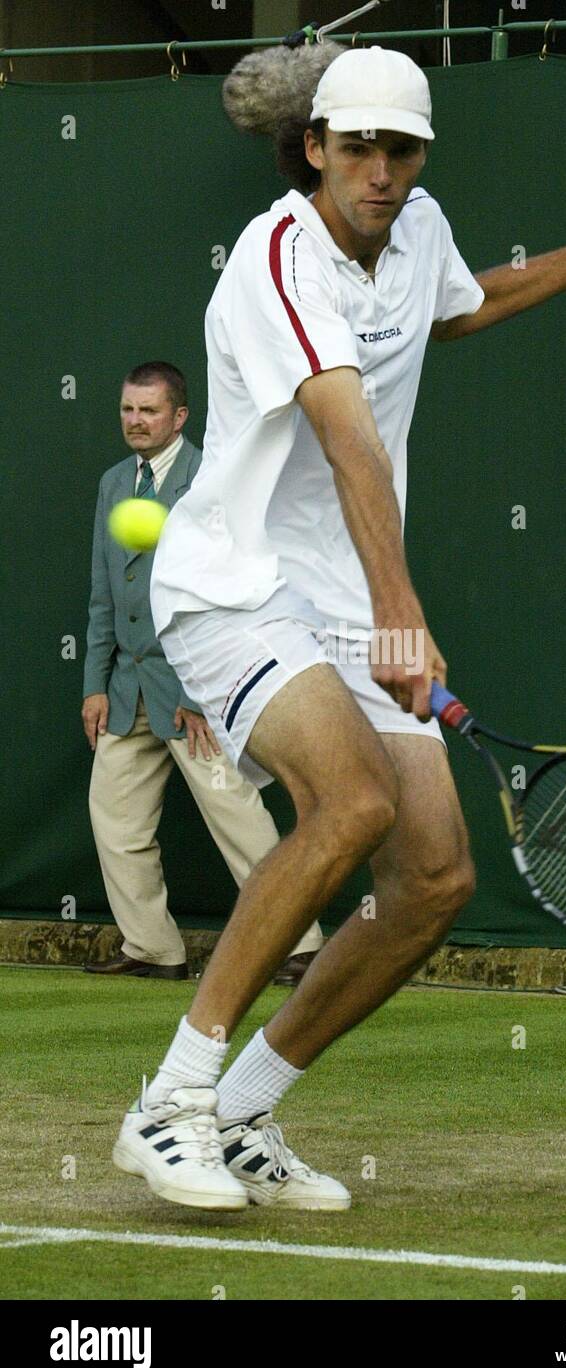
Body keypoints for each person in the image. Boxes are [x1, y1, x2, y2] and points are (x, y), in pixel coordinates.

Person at [112, 47, 566, 1212]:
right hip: (232, 585)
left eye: (401, 151)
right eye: (358, 149)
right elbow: (347, 439)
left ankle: (242, 1113)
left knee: (434, 878)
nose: (381, 173)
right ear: (314, 149)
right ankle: (169, 1103)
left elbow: (457, 304)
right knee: (349, 802)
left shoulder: (419, 225)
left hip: (345, 597)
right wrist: (402, 614)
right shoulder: (274, 256)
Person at [82, 361, 322, 982]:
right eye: (128, 409)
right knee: (114, 819)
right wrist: (94, 686)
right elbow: (103, 595)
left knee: (240, 818)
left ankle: (299, 948)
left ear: (180, 417)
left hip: (200, 692)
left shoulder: (210, 481)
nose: (135, 421)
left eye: (149, 411)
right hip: (127, 689)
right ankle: (153, 950)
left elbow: (226, 590)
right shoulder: (114, 483)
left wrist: (199, 691)